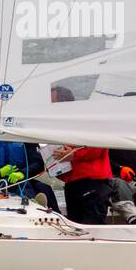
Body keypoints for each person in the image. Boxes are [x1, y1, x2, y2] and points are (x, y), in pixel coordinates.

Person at [47, 85, 112, 224]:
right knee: (74, 228)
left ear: (64, 103)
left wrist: (74, 155)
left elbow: (100, 145)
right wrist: (53, 166)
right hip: (73, 184)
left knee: (93, 227)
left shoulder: (88, 119)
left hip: (93, 182)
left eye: (52, 103)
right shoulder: (61, 125)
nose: (49, 107)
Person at [0, 138, 59, 213]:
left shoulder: (25, 137)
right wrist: (0, 172)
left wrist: (22, 173)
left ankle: (55, 216)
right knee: (20, 189)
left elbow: (38, 164)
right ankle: (32, 202)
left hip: (23, 180)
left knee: (45, 188)